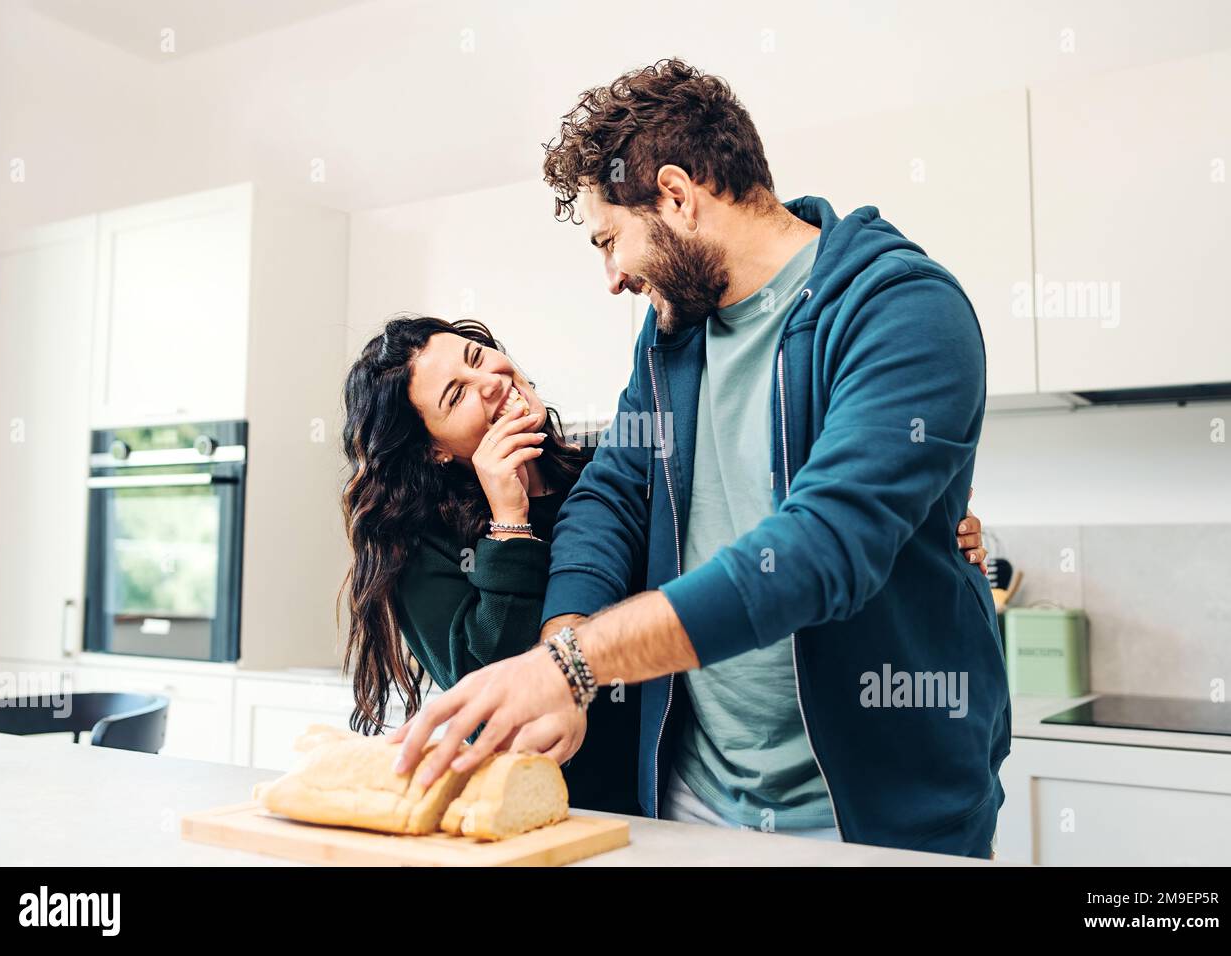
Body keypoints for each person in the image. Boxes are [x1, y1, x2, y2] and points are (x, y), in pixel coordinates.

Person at [392, 59, 1010, 859]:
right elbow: (612, 494)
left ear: (679, 197)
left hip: (876, 816)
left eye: (610, 240)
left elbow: (820, 550)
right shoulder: (672, 334)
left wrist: (575, 665)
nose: (612, 276)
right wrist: (563, 646)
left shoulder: (902, 311)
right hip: (688, 802)